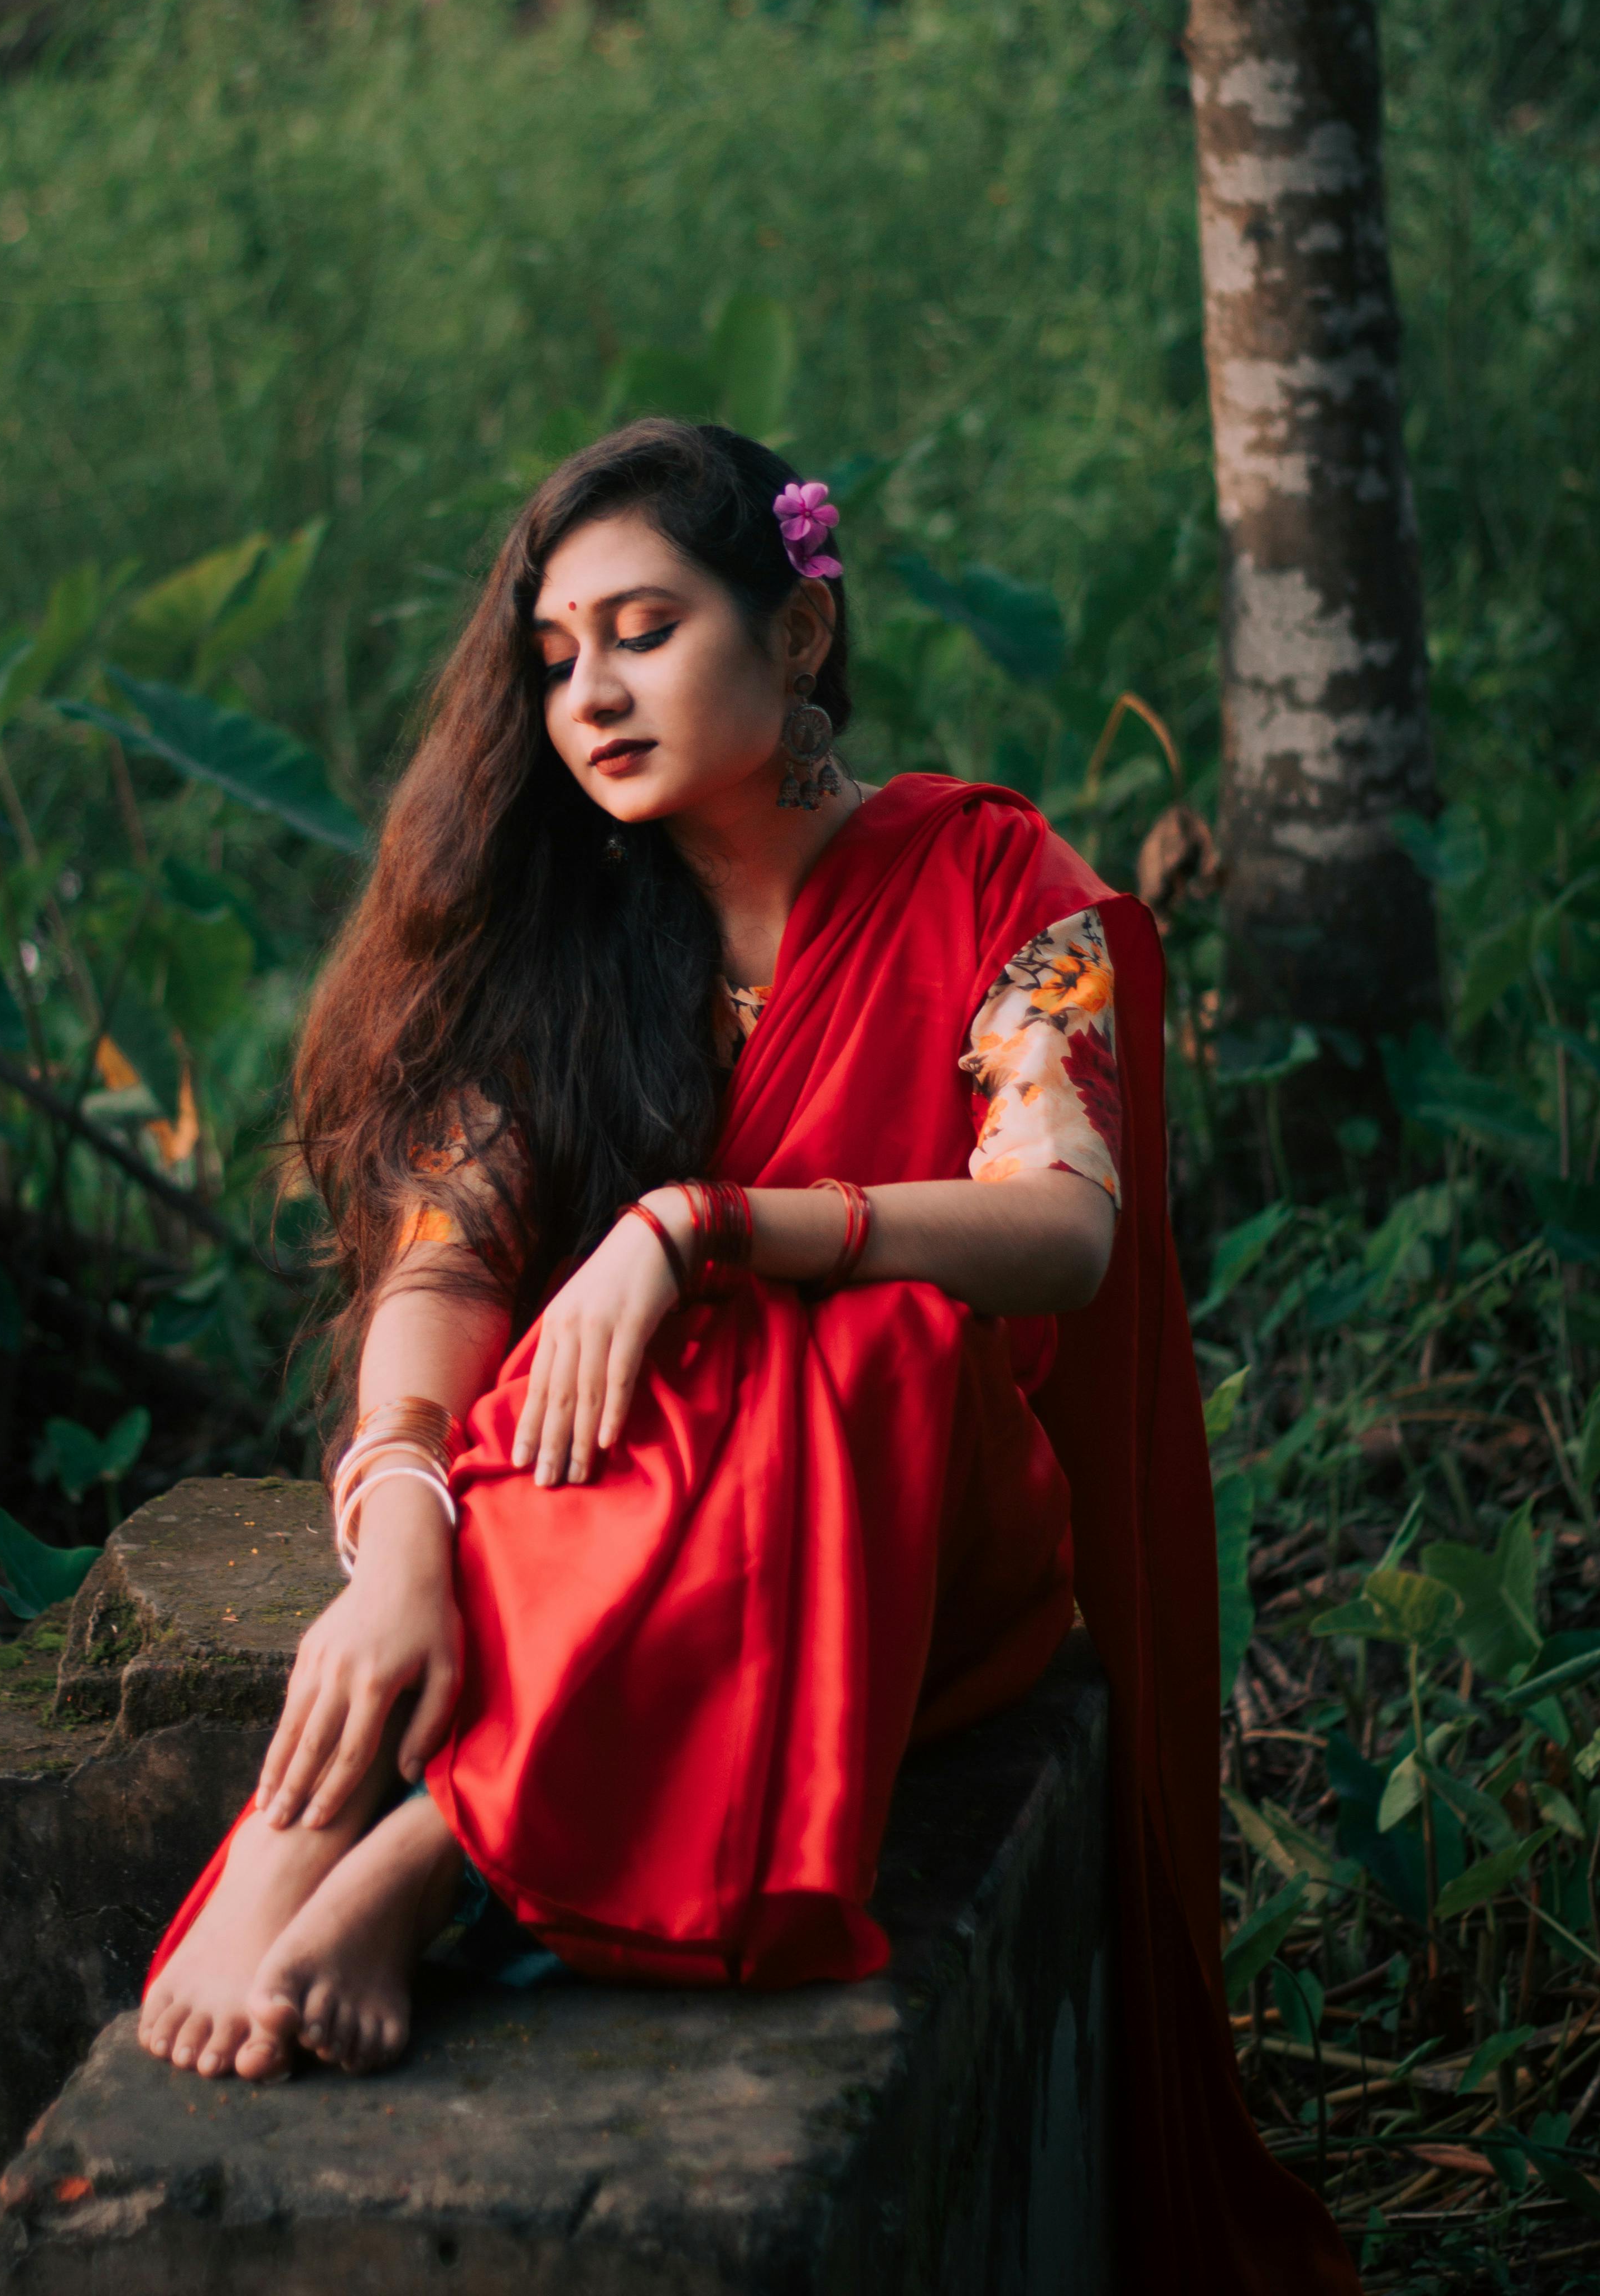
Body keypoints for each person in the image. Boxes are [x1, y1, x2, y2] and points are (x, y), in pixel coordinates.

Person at [138, 419, 1357, 2295]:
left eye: (641, 629)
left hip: (923, 1529)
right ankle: (371, 1810)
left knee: (855, 1333)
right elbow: (446, 1265)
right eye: (555, 658)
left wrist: (705, 1226)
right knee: (580, 1389)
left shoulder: (990, 877)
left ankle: (426, 1855)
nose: (590, 694)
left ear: (796, 634)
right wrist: (391, 1539)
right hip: (621, 1512)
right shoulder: (562, 932)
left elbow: (1066, 1224)